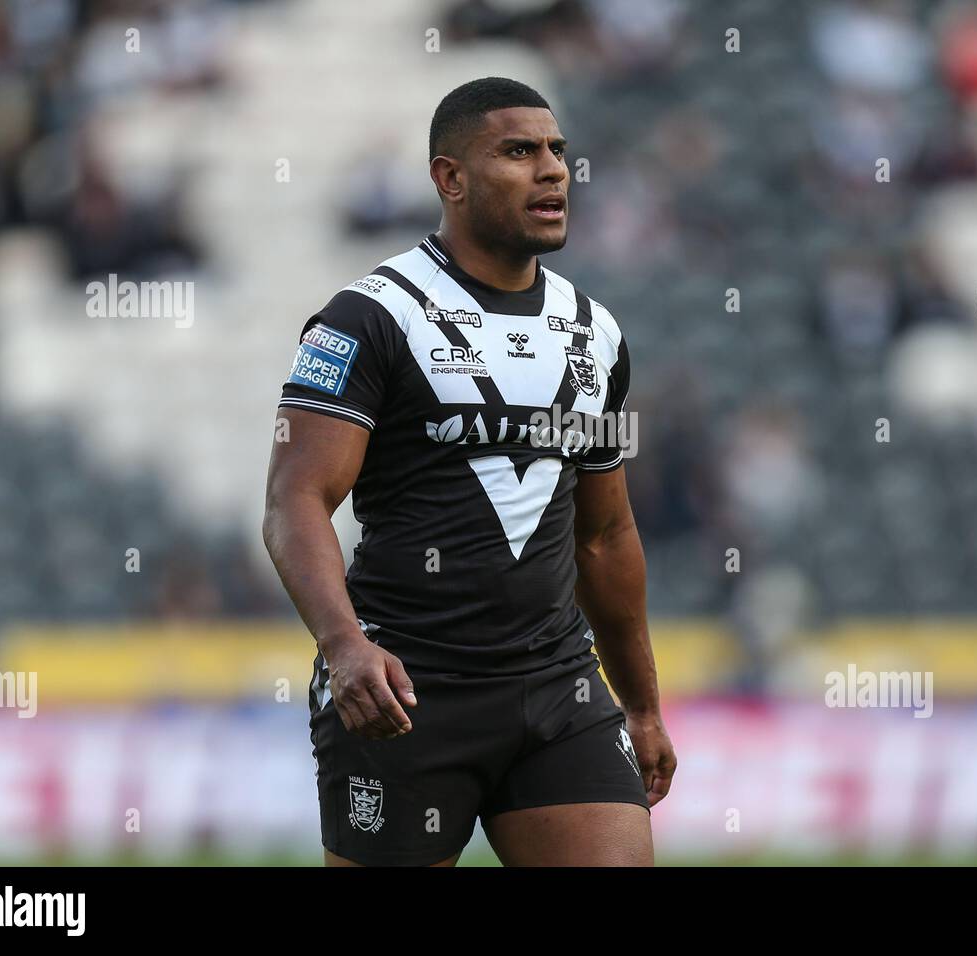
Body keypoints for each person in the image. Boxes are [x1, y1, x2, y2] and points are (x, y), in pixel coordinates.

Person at [262, 77, 675, 866]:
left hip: (558, 688)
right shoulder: (369, 317)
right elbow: (295, 501)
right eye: (519, 152)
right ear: (449, 178)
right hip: (407, 693)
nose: (552, 170)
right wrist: (344, 646)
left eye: (557, 151)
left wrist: (644, 705)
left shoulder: (596, 334)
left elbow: (605, 535)